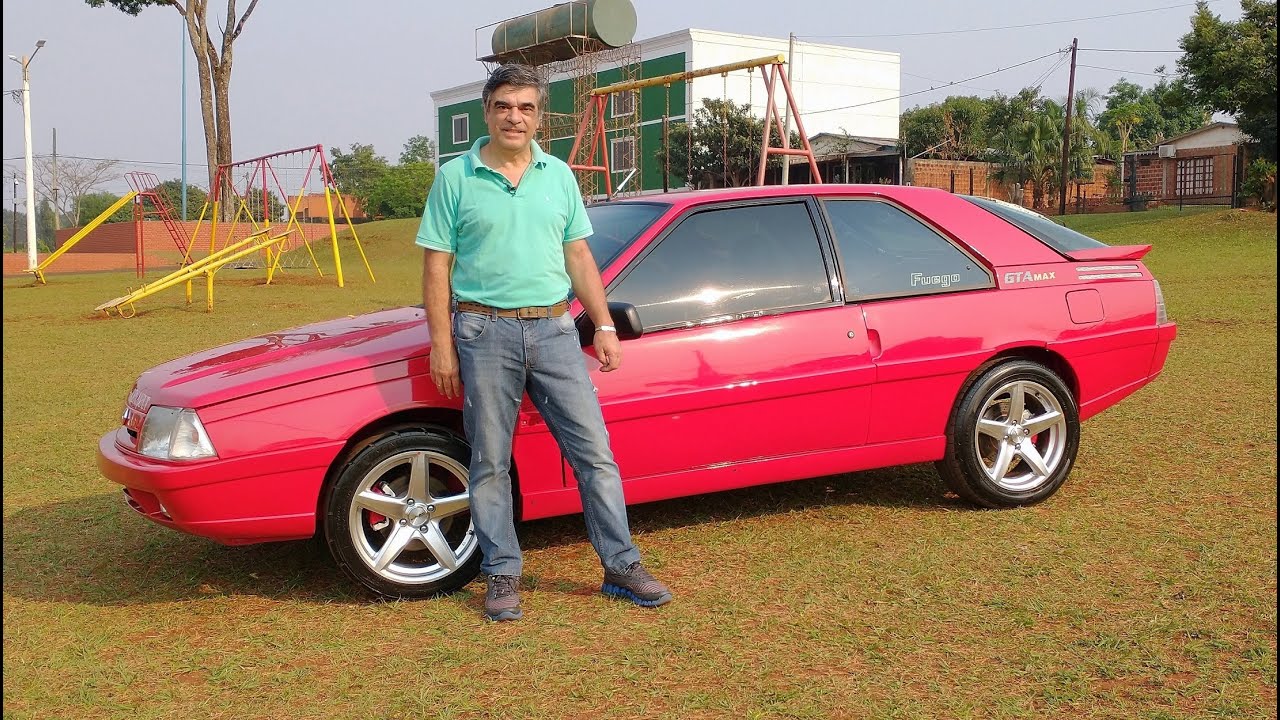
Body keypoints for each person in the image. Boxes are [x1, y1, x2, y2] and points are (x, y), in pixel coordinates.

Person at [415, 63, 672, 622]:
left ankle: (621, 565)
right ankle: (502, 574)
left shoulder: (558, 175)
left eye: (526, 108)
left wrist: (602, 324)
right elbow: (437, 266)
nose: (515, 117)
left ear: (540, 118)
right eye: (505, 105)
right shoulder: (455, 178)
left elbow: (578, 255)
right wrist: (442, 344)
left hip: (556, 330)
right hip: (483, 332)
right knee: (489, 461)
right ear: (487, 111)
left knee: (595, 455)